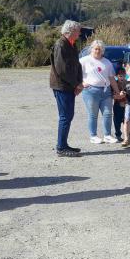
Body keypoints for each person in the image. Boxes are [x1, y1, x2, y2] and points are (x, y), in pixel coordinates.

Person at [49, 20, 83, 158]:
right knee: (65, 116)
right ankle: (61, 148)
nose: (79, 33)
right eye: (78, 30)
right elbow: (62, 69)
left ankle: (64, 144)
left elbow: (77, 65)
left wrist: (79, 82)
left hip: (69, 85)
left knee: (68, 116)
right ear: (70, 31)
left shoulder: (71, 44)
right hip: (62, 86)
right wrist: (76, 84)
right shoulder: (60, 44)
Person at [79, 40, 123, 144]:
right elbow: (76, 74)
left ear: (103, 51)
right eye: (96, 49)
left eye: (100, 49)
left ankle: (107, 135)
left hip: (106, 91)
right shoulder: (84, 60)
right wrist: (81, 83)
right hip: (91, 91)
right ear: (92, 49)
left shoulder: (107, 62)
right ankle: (93, 136)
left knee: (108, 113)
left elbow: (111, 78)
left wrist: (117, 91)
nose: (98, 51)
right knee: (93, 114)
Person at [112, 64, 126, 142]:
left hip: (126, 105)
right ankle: (118, 134)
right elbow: (112, 95)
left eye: (123, 76)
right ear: (117, 76)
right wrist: (119, 96)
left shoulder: (127, 83)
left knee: (126, 120)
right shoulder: (114, 84)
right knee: (117, 121)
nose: (122, 77)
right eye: (120, 76)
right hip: (117, 105)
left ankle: (128, 134)